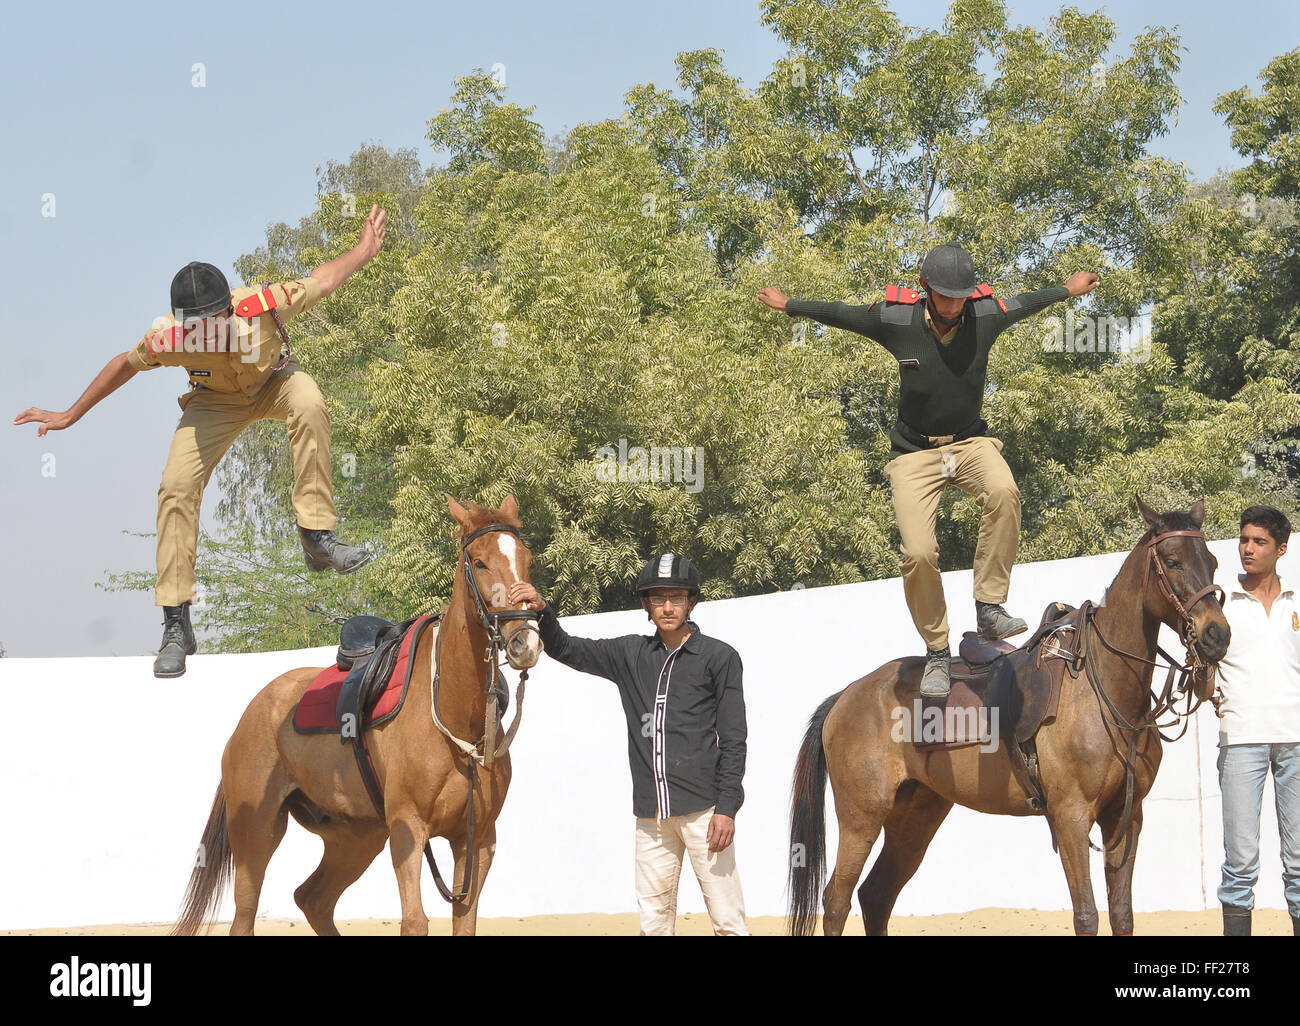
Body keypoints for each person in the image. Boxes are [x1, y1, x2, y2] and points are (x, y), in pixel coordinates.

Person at [13, 205, 389, 678]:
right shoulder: (169, 338)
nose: (204, 336)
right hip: (214, 402)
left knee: (310, 400)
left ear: (229, 310)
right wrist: (70, 413)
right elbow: (123, 364)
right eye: (194, 329)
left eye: (212, 325)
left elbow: (325, 280)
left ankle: (316, 535)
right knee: (175, 487)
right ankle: (176, 623)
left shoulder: (261, 304)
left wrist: (363, 249)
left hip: (273, 383)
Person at [759, 242, 1099, 696]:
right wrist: (790, 306)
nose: (955, 305)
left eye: (961, 296)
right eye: (945, 296)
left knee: (1004, 491)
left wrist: (1067, 290)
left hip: (970, 442)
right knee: (918, 552)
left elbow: (1023, 304)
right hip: (915, 453)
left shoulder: (984, 316)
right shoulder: (896, 320)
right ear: (925, 289)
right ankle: (938, 650)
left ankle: (989, 606)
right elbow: (842, 313)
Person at [509, 554, 748, 935]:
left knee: (728, 920)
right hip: (651, 818)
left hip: (706, 813)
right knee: (653, 923)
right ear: (646, 605)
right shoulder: (630, 654)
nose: (667, 607)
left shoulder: (719, 658)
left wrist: (727, 808)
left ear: (692, 602)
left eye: (677, 597)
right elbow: (569, 649)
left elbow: (734, 740)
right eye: (658, 598)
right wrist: (542, 610)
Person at [1213, 504, 1299, 936]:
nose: (1247, 548)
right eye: (1244, 539)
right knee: (1240, 864)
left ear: (1281, 549)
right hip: (1241, 737)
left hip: (1297, 742)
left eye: (1259, 541)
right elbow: (1202, 674)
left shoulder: (1297, 602)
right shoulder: (1220, 601)